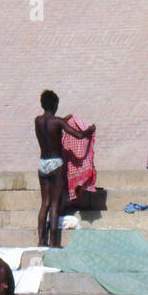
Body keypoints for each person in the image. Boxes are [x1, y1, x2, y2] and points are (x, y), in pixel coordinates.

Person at [35, 90, 95, 248]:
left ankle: (41, 241)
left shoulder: (38, 121)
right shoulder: (58, 123)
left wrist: (64, 120)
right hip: (56, 164)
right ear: (55, 105)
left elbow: (52, 122)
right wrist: (90, 129)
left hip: (42, 163)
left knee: (45, 204)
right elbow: (79, 135)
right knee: (55, 204)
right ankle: (54, 243)